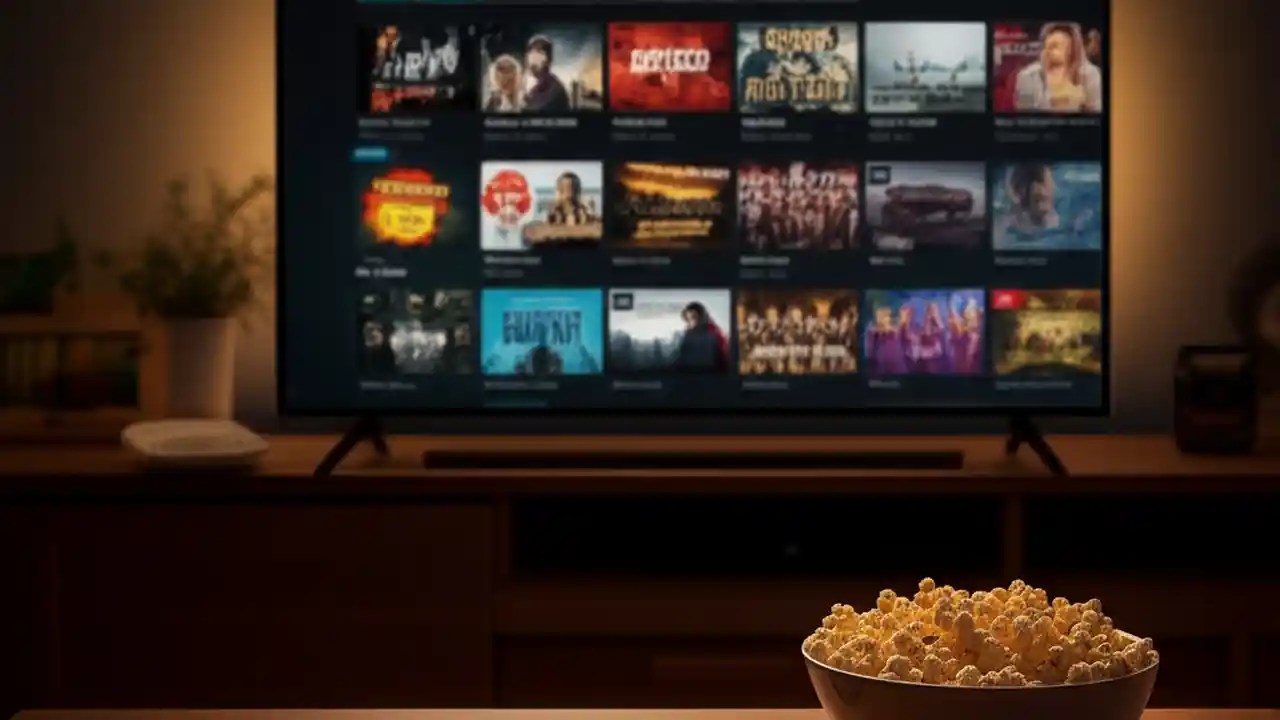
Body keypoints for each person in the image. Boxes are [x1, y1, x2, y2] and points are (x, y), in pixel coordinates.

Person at [1014, 22, 1103, 112]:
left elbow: (1097, 113)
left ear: (1070, 50)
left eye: (1054, 46)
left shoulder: (1091, 75)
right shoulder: (1027, 76)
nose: (1048, 51)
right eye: (1046, 46)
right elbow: (1025, 116)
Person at [675, 302, 729, 372]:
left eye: (693, 318)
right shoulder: (690, 334)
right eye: (688, 319)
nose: (690, 322)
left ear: (701, 317)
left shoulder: (712, 334)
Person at [522, 36, 571, 113]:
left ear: (548, 60)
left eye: (539, 52)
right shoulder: (525, 83)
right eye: (531, 52)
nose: (533, 57)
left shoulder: (555, 90)